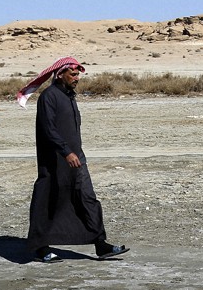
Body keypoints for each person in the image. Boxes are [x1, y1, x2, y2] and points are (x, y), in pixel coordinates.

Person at [19, 56, 128, 262]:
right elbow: (48, 129)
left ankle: (100, 244)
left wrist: (74, 152)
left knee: (87, 198)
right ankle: (41, 247)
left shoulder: (69, 96)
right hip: (55, 161)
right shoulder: (49, 97)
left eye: (78, 74)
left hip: (76, 158)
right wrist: (66, 151)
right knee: (49, 201)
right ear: (60, 75)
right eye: (73, 74)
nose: (77, 78)